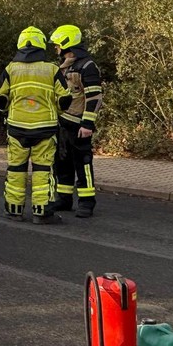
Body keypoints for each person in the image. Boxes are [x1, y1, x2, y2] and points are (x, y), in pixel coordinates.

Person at [0, 27, 73, 224]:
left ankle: (14, 210)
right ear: (40, 45)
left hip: (16, 129)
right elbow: (65, 99)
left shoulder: (10, 69)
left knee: (16, 170)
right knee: (43, 171)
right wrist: (56, 112)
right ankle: (42, 212)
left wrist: (8, 111)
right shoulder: (52, 70)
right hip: (45, 129)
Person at [48, 24, 104, 218]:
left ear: (66, 43)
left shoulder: (87, 66)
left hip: (79, 125)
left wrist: (87, 124)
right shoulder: (63, 67)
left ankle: (87, 202)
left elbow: (94, 97)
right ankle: (64, 199)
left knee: (83, 164)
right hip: (62, 124)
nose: (56, 48)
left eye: (57, 44)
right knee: (62, 162)